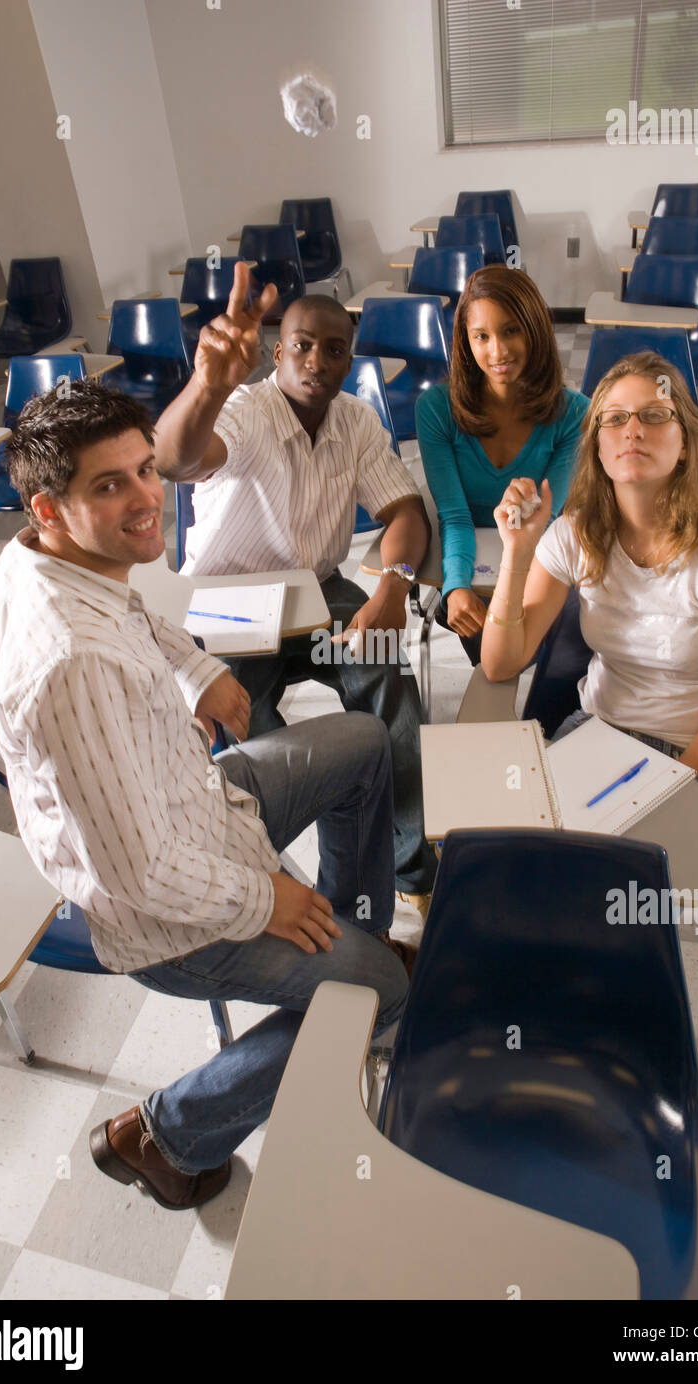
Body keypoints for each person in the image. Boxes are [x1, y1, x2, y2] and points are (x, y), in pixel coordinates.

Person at [0, 376, 408, 1212]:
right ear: (48, 507)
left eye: (148, 470)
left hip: (197, 797)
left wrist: (200, 669)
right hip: (171, 917)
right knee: (383, 994)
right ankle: (168, 1133)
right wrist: (270, 902)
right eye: (111, 487)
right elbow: (140, 876)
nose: (151, 499)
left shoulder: (46, 555)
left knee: (362, 742)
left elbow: (135, 614)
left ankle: (343, 945)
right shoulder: (73, 666)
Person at [153, 262, 437, 915]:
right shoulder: (245, 409)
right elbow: (174, 460)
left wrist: (392, 587)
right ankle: (273, 881)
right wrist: (207, 383)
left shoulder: (358, 421)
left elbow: (405, 514)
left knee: (388, 680)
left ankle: (411, 869)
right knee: (249, 729)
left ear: (348, 361)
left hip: (317, 593)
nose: (317, 360)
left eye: (334, 350)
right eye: (302, 345)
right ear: (277, 354)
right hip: (227, 603)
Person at [481, 351, 698, 869]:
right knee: (522, 866)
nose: (632, 429)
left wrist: (663, 782)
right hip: (598, 736)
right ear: (597, 446)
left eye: (654, 415)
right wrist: (516, 551)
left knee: (626, 885)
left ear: (684, 443)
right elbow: (500, 664)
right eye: (614, 418)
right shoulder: (574, 533)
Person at [416, 266, 588, 665]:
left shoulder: (573, 413)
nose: (498, 352)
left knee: (560, 643)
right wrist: (457, 587)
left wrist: (515, 592)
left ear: (535, 330)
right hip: (469, 566)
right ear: (466, 341)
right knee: (489, 648)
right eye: (482, 336)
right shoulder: (435, 409)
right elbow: (454, 517)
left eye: (511, 331)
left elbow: (545, 521)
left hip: (536, 559)